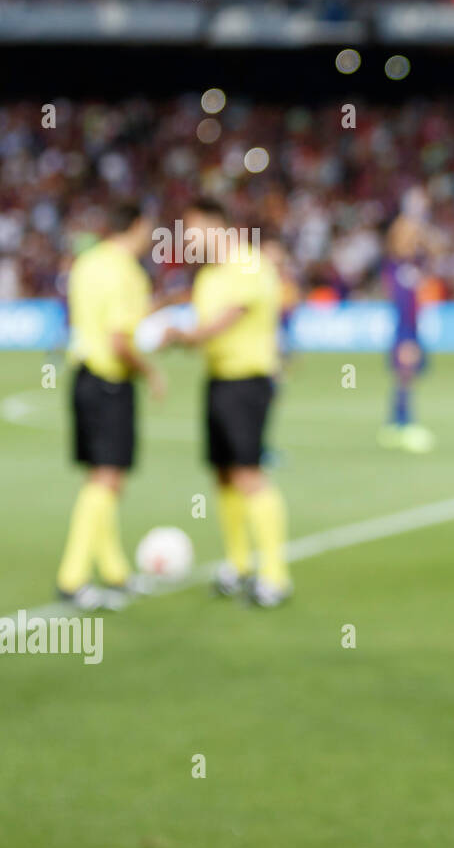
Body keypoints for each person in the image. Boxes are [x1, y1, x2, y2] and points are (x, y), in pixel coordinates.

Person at [164, 199, 291, 608]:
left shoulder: (249, 264)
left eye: (191, 228)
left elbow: (223, 321)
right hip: (218, 381)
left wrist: (182, 337)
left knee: (248, 473)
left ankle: (274, 575)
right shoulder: (209, 276)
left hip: (247, 382)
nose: (186, 238)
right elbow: (204, 329)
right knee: (223, 475)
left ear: (214, 225)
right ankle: (238, 565)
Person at [56, 202, 165, 610]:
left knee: (101, 479)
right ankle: (73, 578)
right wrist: (151, 372)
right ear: (136, 225)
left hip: (84, 376)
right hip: (110, 383)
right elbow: (121, 339)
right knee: (107, 479)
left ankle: (115, 572)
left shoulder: (86, 263)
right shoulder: (126, 272)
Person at [377, 214, 434, 453]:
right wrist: (405, 339)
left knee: (408, 376)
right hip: (405, 331)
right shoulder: (395, 267)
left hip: (412, 328)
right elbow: (400, 304)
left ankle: (396, 423)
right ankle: (403, 424)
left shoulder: (412, 265)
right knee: (405, 376)